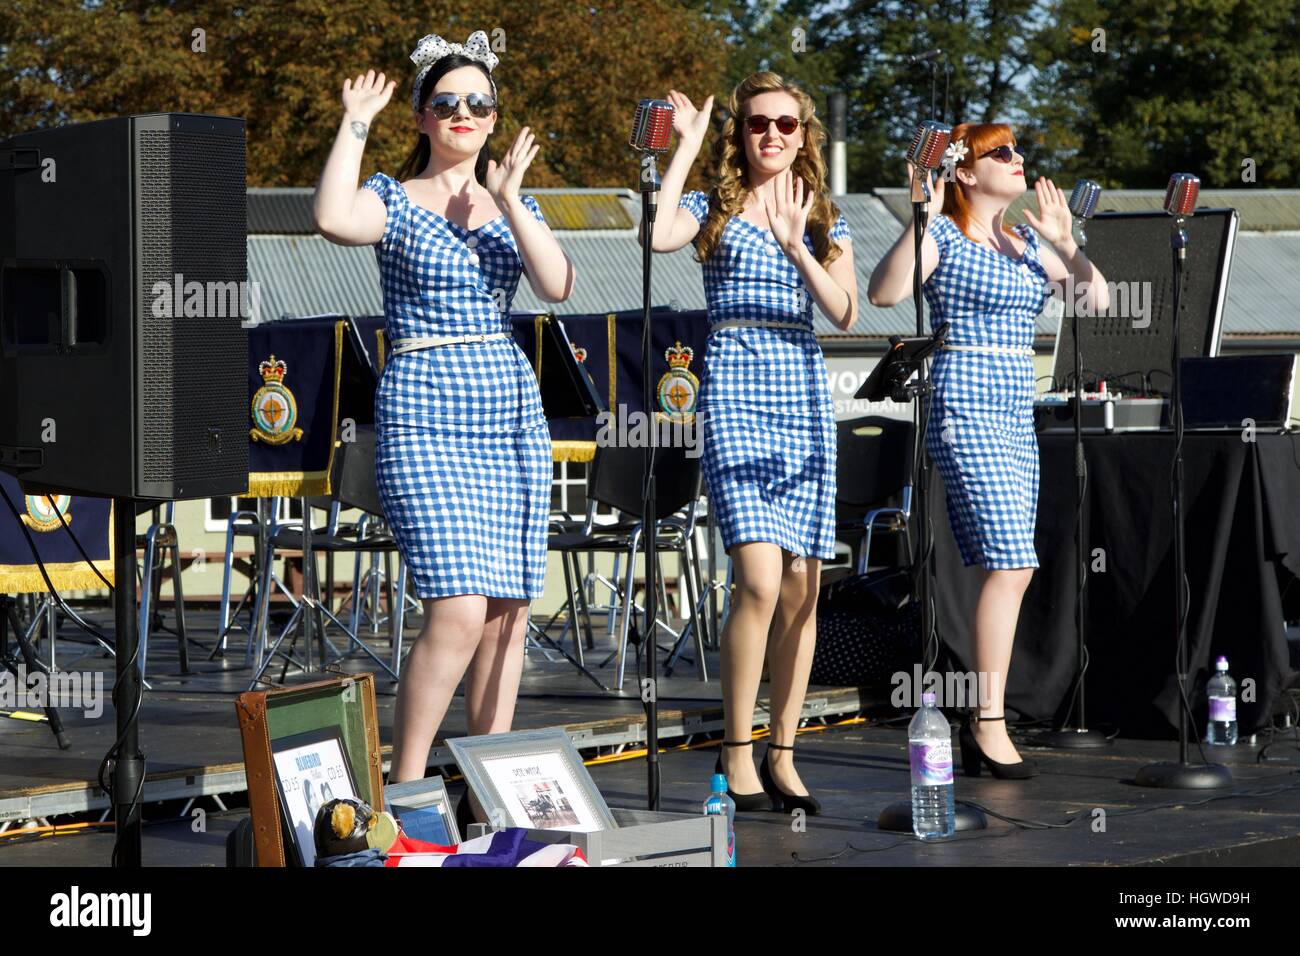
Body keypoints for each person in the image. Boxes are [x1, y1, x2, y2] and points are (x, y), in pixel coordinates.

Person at [312, 31, 575, 784]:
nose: (464, 112)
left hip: (509, 413)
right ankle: (409, 787)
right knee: (458, 610)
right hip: (426, 408)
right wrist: (354, 122)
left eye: (479, 103)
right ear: (423, 117)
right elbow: (331, 218)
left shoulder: (509, 203)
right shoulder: (394, 198)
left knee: (506, 616)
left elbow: (558, 285)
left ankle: (487, 786)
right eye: (447, 103)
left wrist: (513, 200)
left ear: (494, 118)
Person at [867, 122, 1108, 778]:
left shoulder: (1028, 240)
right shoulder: (943, 233)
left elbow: (1095, 298)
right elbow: (885, 294)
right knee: (1010, 559)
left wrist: (1066, 241)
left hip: (1013, 410)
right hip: (963, 405)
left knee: (1015, 566)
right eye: (1000, 152)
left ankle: (985, 714)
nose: (1017, 159)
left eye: (1017, 149)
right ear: (966, 173)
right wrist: (919, 213)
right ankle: (989, 720)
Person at [650, 72, 858, 814]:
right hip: (738, 385)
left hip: (802, 389)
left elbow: (843, 313)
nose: (771, 134)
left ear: (805, 134)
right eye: (756, 124)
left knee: (804, 588)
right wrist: (687, 147)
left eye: (786, 124)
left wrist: (799, 247)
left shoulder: (828, 215)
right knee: (761, 582)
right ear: (739, 135)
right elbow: (655, 232)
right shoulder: (714, 206)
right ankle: (736, 748)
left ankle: (784, 750)